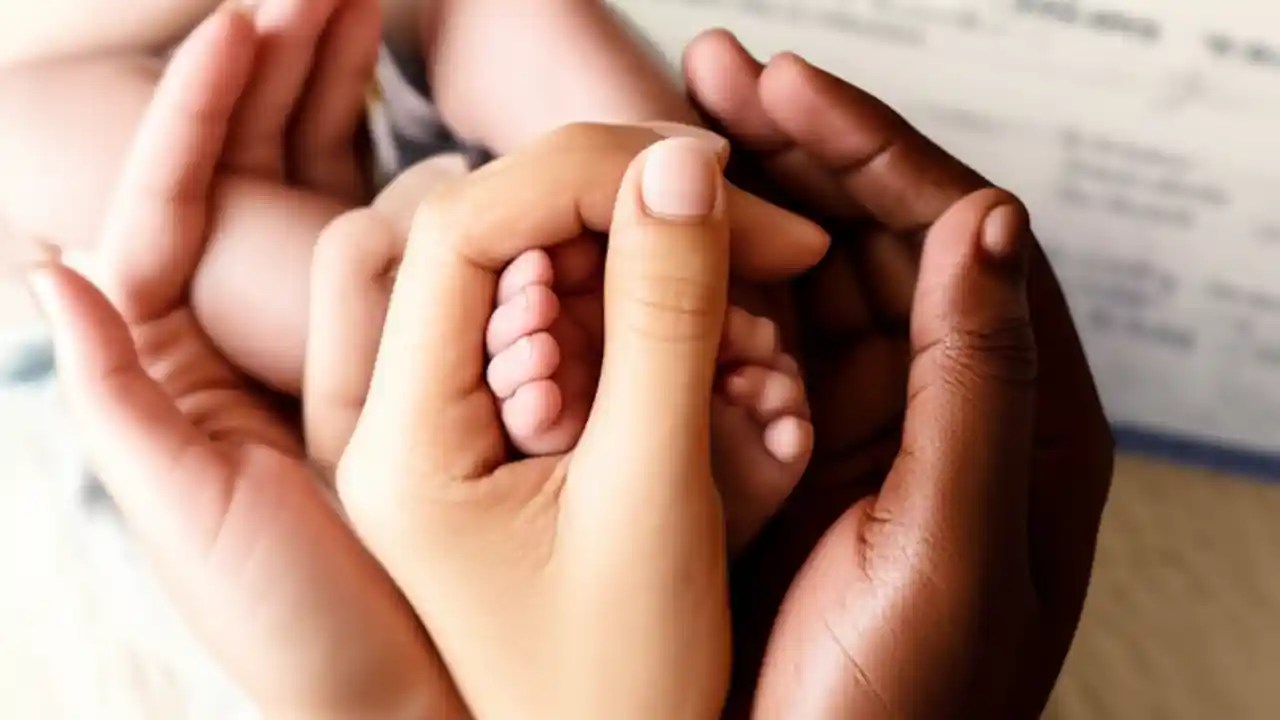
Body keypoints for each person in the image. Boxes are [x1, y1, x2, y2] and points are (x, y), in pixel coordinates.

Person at [26, 20, 1115, 720]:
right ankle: (655, 438)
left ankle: (610, 391)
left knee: (42, 134)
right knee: (580, 109)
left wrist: (402, 700)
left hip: (337, 486)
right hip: (612, 578)